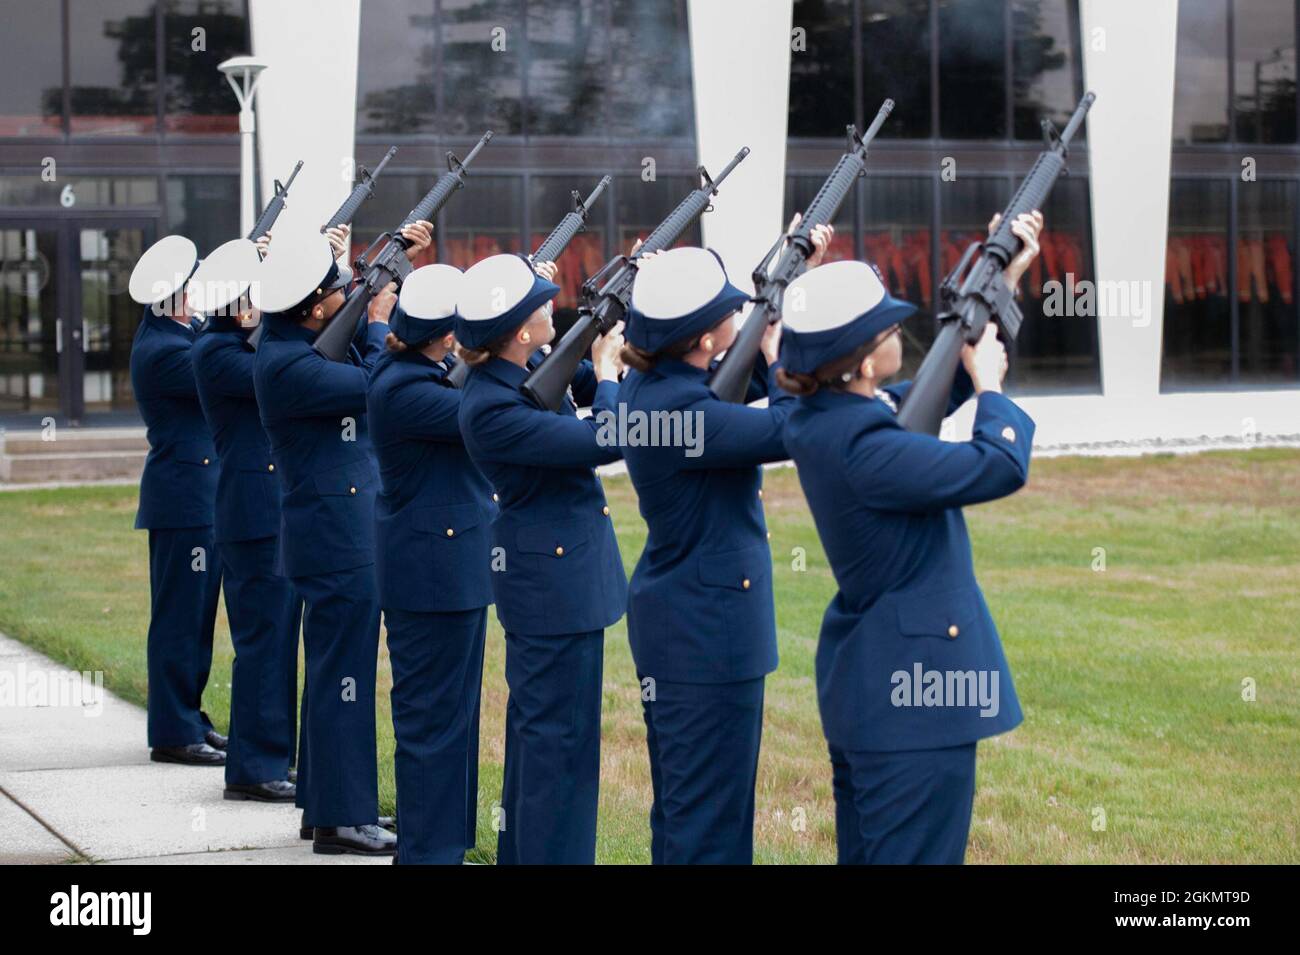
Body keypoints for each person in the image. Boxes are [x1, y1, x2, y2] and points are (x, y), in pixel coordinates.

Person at [778, 211, 1044, 864]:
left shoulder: (827, 415)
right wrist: (994, 389)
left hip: (878, 693)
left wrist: (1001, 279)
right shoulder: (867, 446)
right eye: (891, 328)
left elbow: (934, 386)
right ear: (867, 360)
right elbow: (998, 465)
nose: (903, 333)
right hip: (916, 708)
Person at [616, 224, 831, 864]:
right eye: (731, 314)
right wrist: (779, 344)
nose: (740, 318)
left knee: (692, 812)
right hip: (708, 638)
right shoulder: (690, 414)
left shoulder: (652, 389)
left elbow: (748, 398)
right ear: (705, 338)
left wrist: (791, 281)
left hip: (685, 627)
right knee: (708, 822)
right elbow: (792, 425)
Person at [250, 223, 426, 856]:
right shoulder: (291, 365)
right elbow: (380, 388)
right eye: (336, 292)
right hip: (335, 535)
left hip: (332, 529)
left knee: (333, 673)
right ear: (312, 307)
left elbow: (344, 333)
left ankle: (322, 808)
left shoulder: (293, 340)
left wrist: (387, 259)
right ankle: (344, 818)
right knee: (342, 675)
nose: (343, 295)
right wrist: (378, 322)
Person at [454, 253, 626, 864]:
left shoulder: (516, 376)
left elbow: (567, 375)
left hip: (554, 582)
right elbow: (604, 439)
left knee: (543, 743)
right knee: (560, 749)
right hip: (554, 588)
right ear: (521, 331)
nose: (554, 305)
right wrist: (606, 374)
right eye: (540, 303)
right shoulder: (493, 407)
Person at [366, 264, 495, 864]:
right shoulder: (406, 389)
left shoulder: (420, 371)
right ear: (448, 337)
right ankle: (427, 855)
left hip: (447, 572)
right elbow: (489, 416)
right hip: (432, 577)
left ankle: (441, 848)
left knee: (452, 724)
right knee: (432, 727)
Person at [188, 237, 301, 801]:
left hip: (269, 511)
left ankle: (275, 756)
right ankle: (255, 768)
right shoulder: (218, 352)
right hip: (252, 515)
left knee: (279, 640)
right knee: (263, 641)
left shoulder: (239, 345)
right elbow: (278, 365)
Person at [127, 235, 225, 766]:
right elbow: (217, 365)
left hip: (194, 498)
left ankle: (189, 716)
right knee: (179, 619)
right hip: (184, 499)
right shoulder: (165, 351)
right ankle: (172, 731)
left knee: (197, 616)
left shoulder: (173, 335)